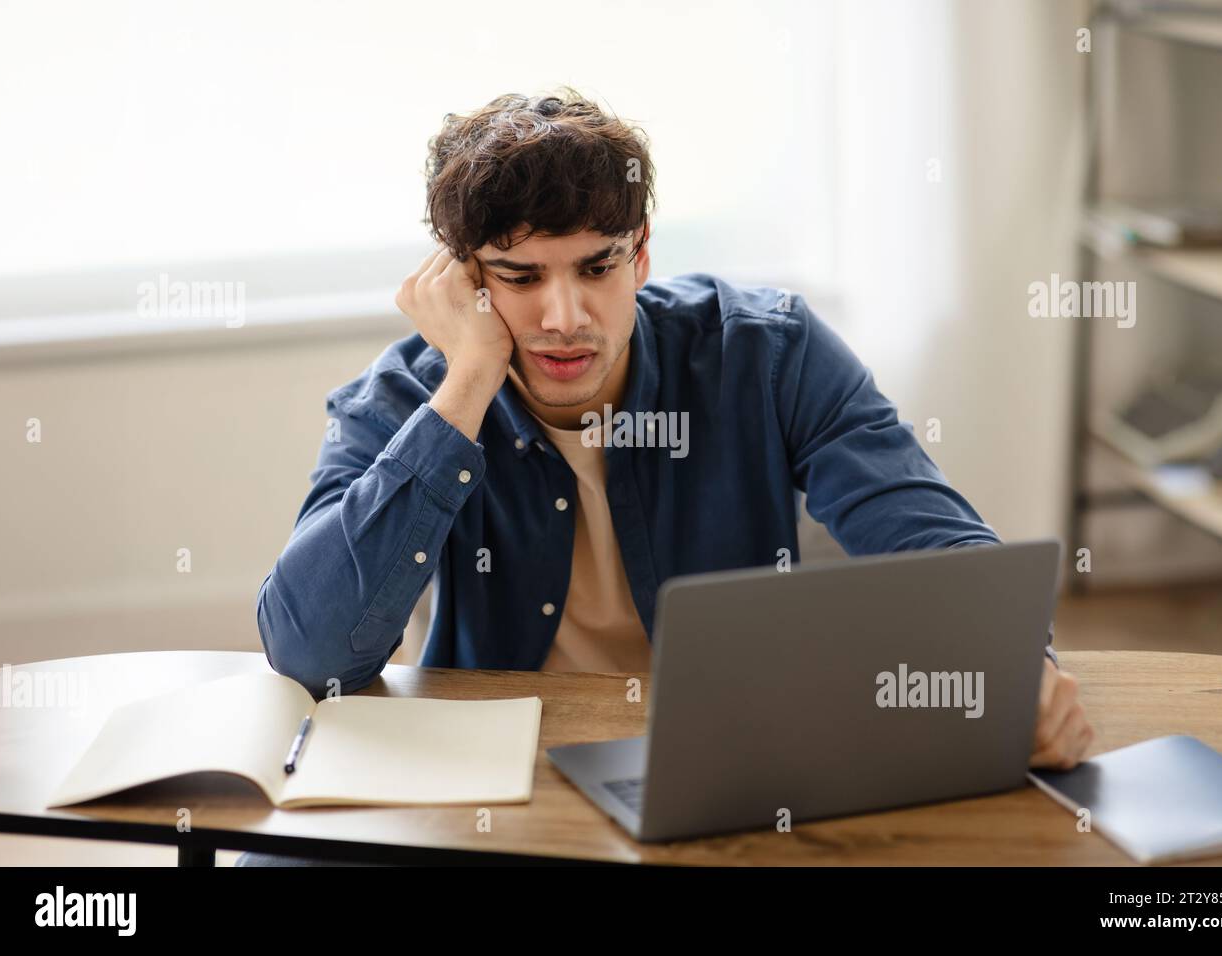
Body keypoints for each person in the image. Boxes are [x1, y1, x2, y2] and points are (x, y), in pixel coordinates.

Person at [245, 89, 1091, 865]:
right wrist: (465, 384)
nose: (564, 317)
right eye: (519, 277)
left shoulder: (766, 352)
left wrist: (1022, 672)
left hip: (738, 777)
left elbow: (930, 541)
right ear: (462, 279)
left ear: (642, 255)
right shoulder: (409, 396)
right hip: (500, 792)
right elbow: (310, 652)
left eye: (596, 267)